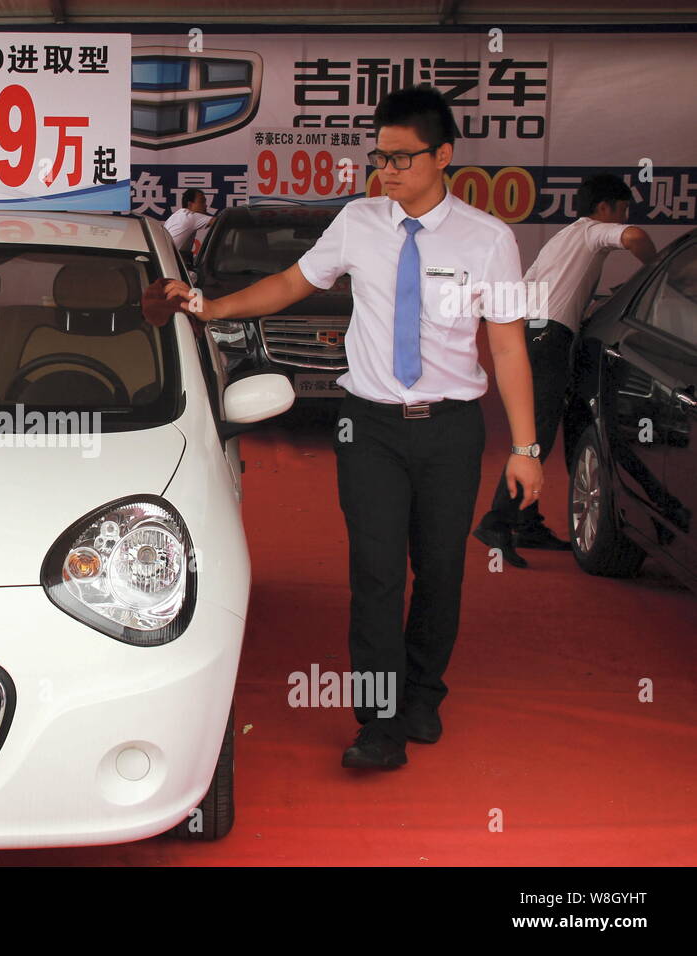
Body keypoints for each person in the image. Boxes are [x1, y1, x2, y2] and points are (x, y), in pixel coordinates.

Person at [152, 85, 540, 770]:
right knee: (376, 575)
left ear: (442, 156)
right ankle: (379, 722)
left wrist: (526, 447)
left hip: (451, 431)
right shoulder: (359, 222)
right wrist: (210, 307)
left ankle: (423, 692)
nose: (384, 172)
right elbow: (291, 284)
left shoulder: (489, 241)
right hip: (370, 427)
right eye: (379, 158)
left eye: (400, 159)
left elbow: (507, 345)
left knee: (442, 572)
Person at [472, 173, 657, 566]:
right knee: (534, 437)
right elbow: (635, 238)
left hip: (534, 334)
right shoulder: (592, 232)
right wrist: (658, 273)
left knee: (536, 432)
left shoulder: (565, 238)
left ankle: (526, 522)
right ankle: (497, 522)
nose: (624, 217)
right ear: (604, 208)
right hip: (548, 340)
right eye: (621, 209)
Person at [162, 188, 215, 264]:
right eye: (202, 202)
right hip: (172, 263)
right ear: (190, 204)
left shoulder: (175, 216)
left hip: (163, 261)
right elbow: (221, 221)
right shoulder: (191, 216)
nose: (206, 205)